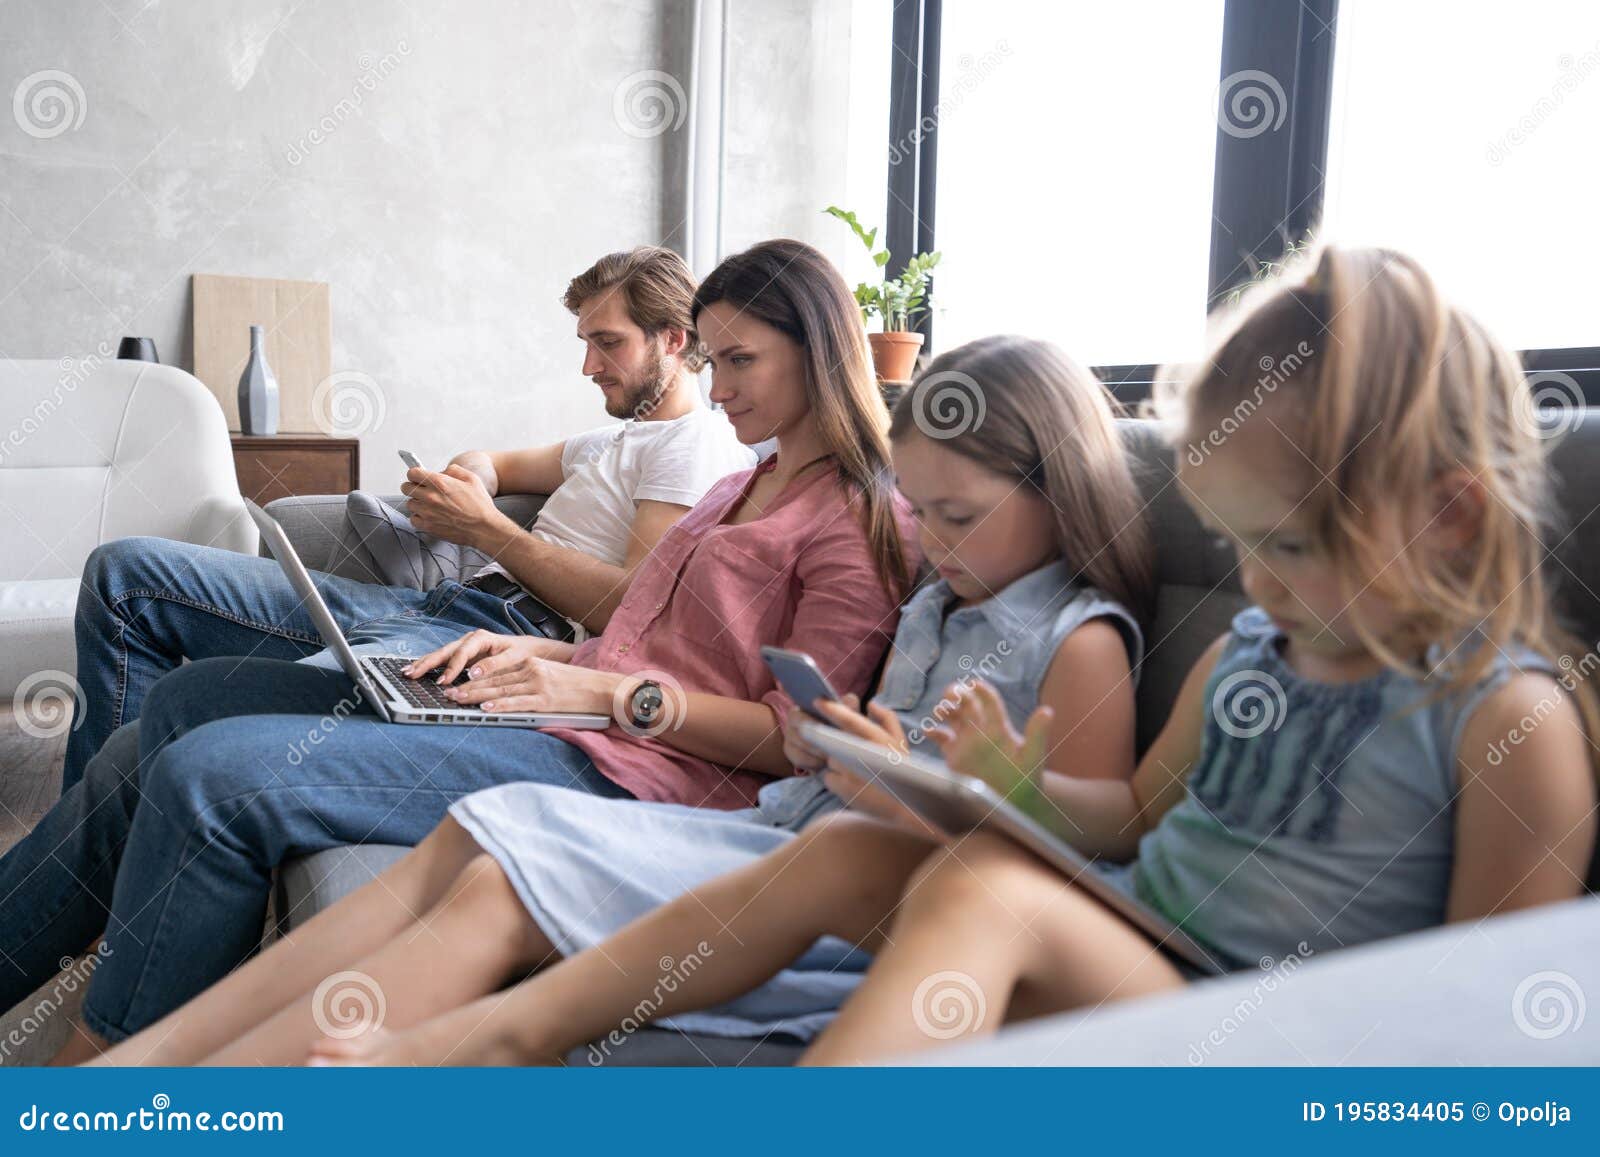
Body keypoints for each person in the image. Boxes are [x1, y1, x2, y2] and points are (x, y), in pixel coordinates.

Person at [88, 334, 1158, 1066]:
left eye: (958, 515)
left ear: (1055, 484)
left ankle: (224, 1097)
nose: (936, 541)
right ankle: (154, 1072)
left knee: (493, 871)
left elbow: (1067, 850)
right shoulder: (935, 603)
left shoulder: (1080, 638)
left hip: (834, 870)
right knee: (475, 822)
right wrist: (853, 749)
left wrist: (945, 782)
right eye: (923, 512)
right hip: (798, 828)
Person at [1, 238, 916, 1062]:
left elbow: (800, 740)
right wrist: (525, 649)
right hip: (563, 704)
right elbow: (654, 626)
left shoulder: (855, 519)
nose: (719, 389)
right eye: (716, 361)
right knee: (177, 707)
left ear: (820, 348)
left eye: (742, 361)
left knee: (211, 778)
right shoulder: (753, 476)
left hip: (636, 771)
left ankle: (94, 1083)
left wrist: (608, 695)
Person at [61, 245, 754, 789]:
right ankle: (99, 842)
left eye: (608, 343)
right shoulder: (617, 437)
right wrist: (466, 484)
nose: (587, 365)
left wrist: (485, 529)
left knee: (200, 705)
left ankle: (105, 864)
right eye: (584, 342)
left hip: (494, 639)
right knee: (124, 576)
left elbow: (627, 609)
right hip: (434, 606)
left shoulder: (690, 449)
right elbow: (496, 462)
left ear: (671, 339)